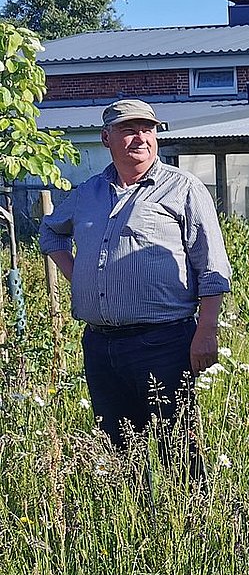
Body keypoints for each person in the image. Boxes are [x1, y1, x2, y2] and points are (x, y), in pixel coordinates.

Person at [40, 98, 232, 473]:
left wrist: (207, 329)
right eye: (129, 130)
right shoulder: (87, 193)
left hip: (162, 343)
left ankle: (189, 523)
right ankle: (137, 522)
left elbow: (212, 267)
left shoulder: (182, 189)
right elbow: (51, 232)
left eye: (147, 130)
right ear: (106, 138)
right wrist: (78, 276)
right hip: (100, 343)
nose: (140, 138)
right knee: (119, 448)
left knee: (176, 451)